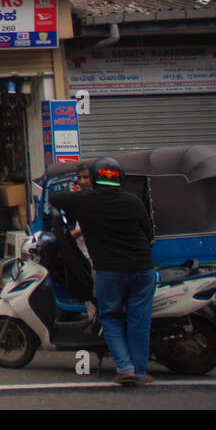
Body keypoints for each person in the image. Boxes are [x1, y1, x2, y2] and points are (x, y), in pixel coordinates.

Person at [50, 157, 156, 386]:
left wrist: (79, 192)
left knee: (110, 317)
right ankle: (139, 371)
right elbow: (148, 234)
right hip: (142, 269)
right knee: (139, 321)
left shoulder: (85, 202)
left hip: (110, 271)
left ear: (94, 178)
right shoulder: (133, 201)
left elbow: (54, 197)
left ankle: (125, 368)